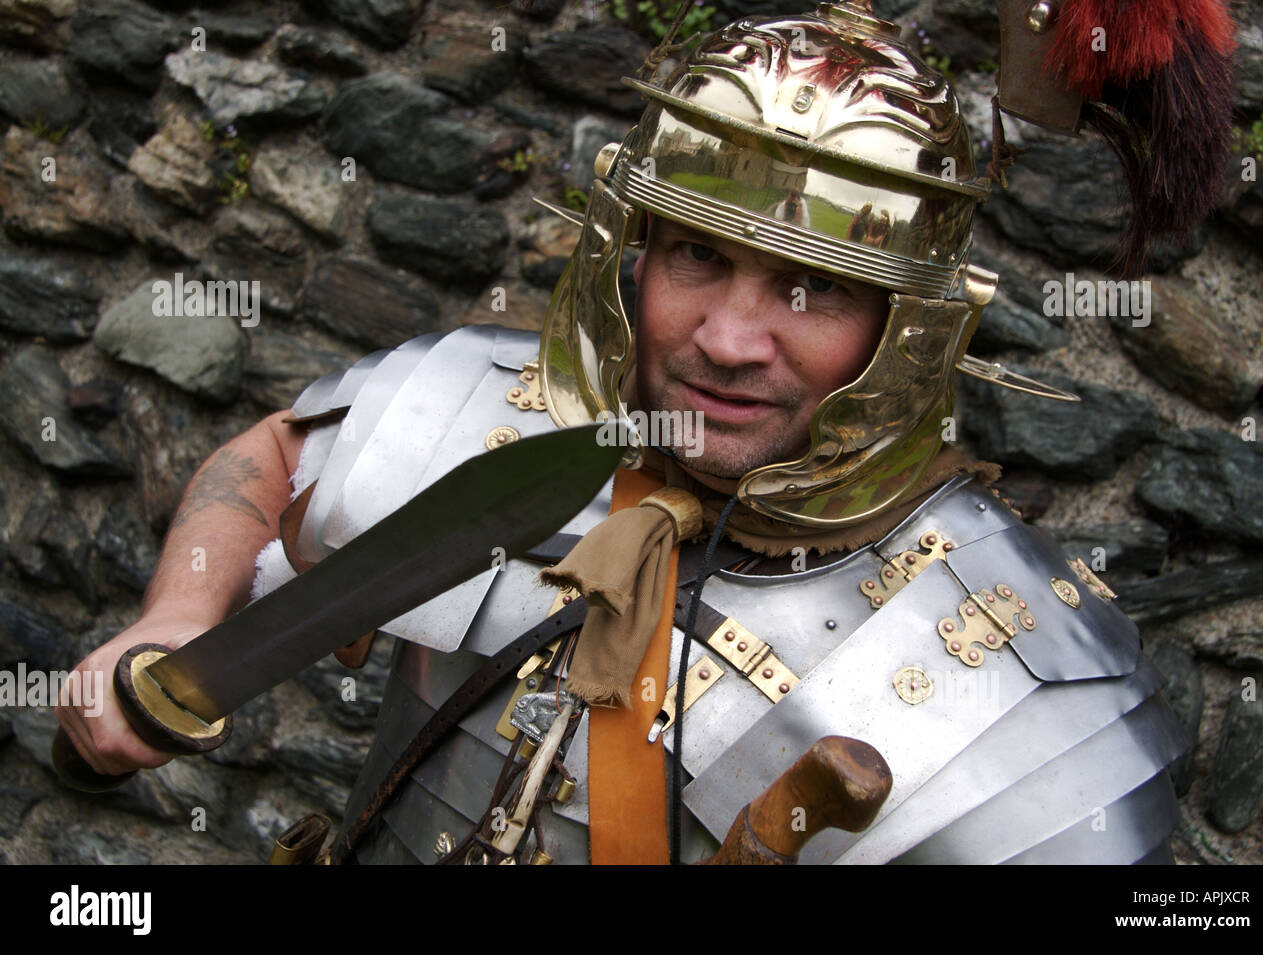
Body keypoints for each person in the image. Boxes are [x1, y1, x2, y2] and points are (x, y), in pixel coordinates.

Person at [57, 1, 1189, 865]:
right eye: (699, 257)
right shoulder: (496, 420)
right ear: (628, 250)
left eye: (813, 288)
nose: (731, 340)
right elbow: (278, 458)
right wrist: (173, 620)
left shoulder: (1024, 686)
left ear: (911, 332)